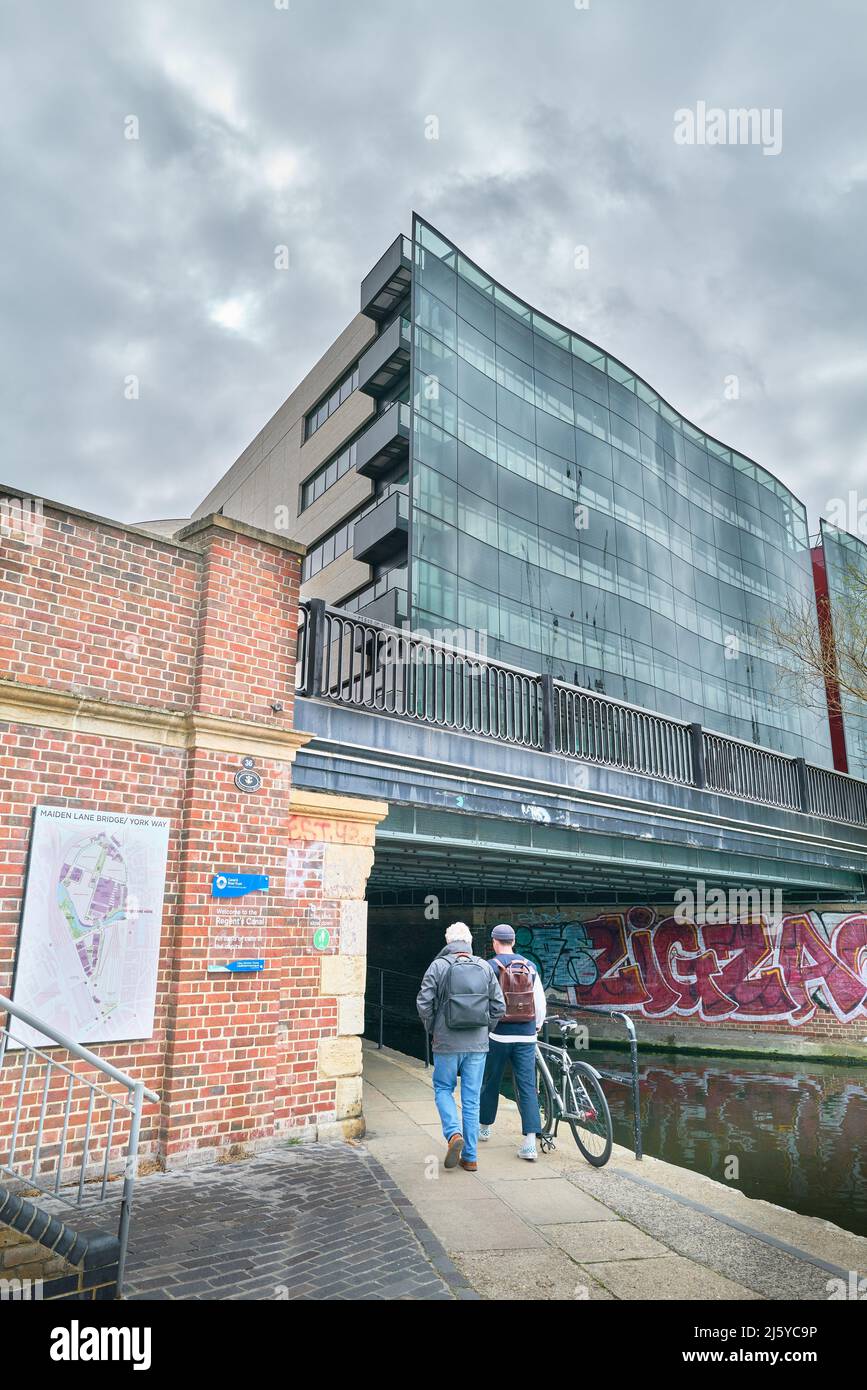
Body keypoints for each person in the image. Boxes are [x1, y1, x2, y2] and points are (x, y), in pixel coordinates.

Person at [416, 922, 505, 1172]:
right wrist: (484, 1029)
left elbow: (423, 1002)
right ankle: (471, 1157)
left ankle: (454, 1134)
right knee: (472, 1099)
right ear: (469, 943)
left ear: (448, 942)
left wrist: (434, 1027)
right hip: (477, 1045)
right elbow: (499, 1007)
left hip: (446, 1042)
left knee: (443, 1088)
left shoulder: (439, 966)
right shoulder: (484, 968)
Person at [479, 924, 547, 1161]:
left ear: (495, 942)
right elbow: (539, 1001)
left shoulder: (489, 966)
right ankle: (529, 1143)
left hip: (498, 1035)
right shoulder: (530, 966)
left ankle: (485, 1126)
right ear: (514, 942)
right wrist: (536, 1025)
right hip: (526, 1036)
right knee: (527, 1086)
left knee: (491, 1081)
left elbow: (483, 1001)